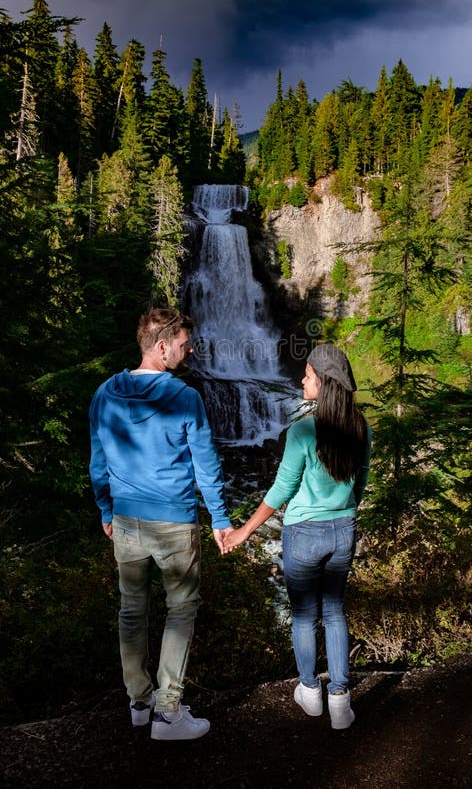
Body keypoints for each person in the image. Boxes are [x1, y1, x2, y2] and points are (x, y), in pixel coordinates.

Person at [89, 307, 232, 741]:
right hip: (173, 521)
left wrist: (106, 510)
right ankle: (168, 712)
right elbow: (205, 465)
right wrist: (220, 518)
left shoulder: (105, 394)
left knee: (132, 608)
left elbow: (98, 461)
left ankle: (139, 701)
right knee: (181, 609)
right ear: (163, 345)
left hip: (128, 520)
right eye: (185, 344)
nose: (190, 352)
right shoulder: (184, 397)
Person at [224, 343, 371, 729]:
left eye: (306, 375)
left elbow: (281, 490)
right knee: (335, 612)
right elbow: (361, 483)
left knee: (305, 617)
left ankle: (310, 691)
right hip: (343, 530)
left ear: (322, 383)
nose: (301, 380)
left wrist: (243, 532)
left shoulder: (303, 431)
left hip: (303, 533)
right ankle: (340, 698)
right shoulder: (360, 427)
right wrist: (344, 510)